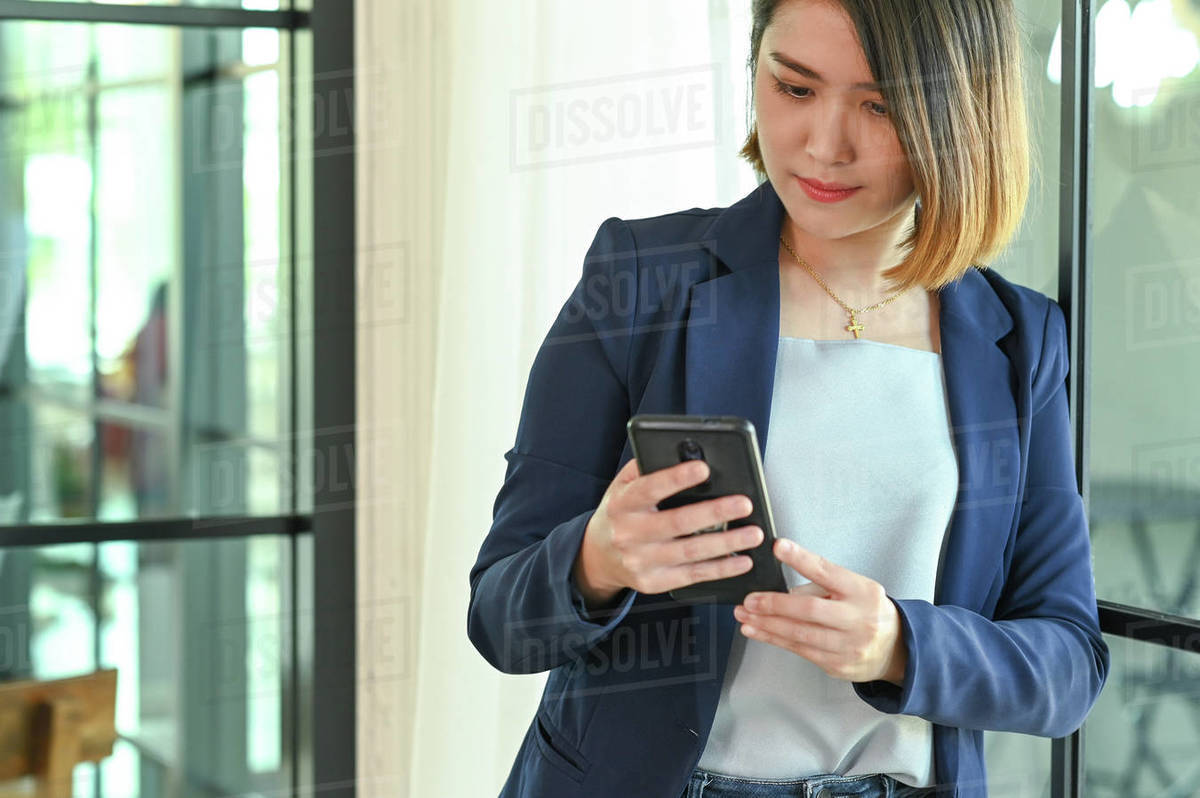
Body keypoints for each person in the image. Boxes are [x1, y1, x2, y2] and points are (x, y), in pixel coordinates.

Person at [467, 1, 1110, 796]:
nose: (824, 144)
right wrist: (597, 560)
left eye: (880, 106)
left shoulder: (1018, 340)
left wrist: (899, 646)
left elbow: (1068, 666)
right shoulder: (640, 279)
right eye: (795, 88)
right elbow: (499, 619)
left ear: (960, 117)